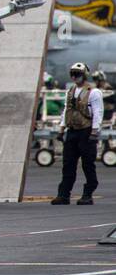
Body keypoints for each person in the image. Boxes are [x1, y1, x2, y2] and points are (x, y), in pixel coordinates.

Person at [52, 62, 101, 206]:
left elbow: (98, 112)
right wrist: (61, 130)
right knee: (68, 165)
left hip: (86, 132)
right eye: (72, 74)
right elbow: (66, 112)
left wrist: (94, 132)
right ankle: (63, 195)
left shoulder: (94, 92)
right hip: (72, 132)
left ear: (84, 75)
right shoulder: (71, 91)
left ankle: (87, 194)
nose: (74, 76)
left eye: (77, 74)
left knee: (88, 165)